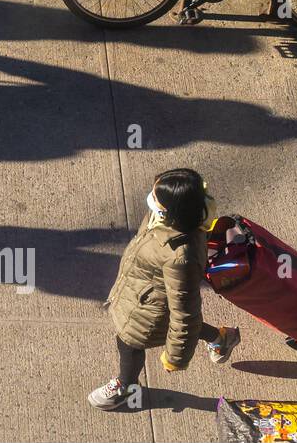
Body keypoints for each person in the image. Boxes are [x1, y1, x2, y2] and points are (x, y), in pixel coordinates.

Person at [89, 168, 242, 410]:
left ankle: (126, 386)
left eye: (157, 200)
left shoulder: (181, 257)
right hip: (142, 290)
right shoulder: (173, 215)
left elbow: (185, 313)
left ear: (174, 210)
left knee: (129, 342)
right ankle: (221, 339)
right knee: (164, 324)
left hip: (147, 308)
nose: (152, 200)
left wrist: (175, 358)